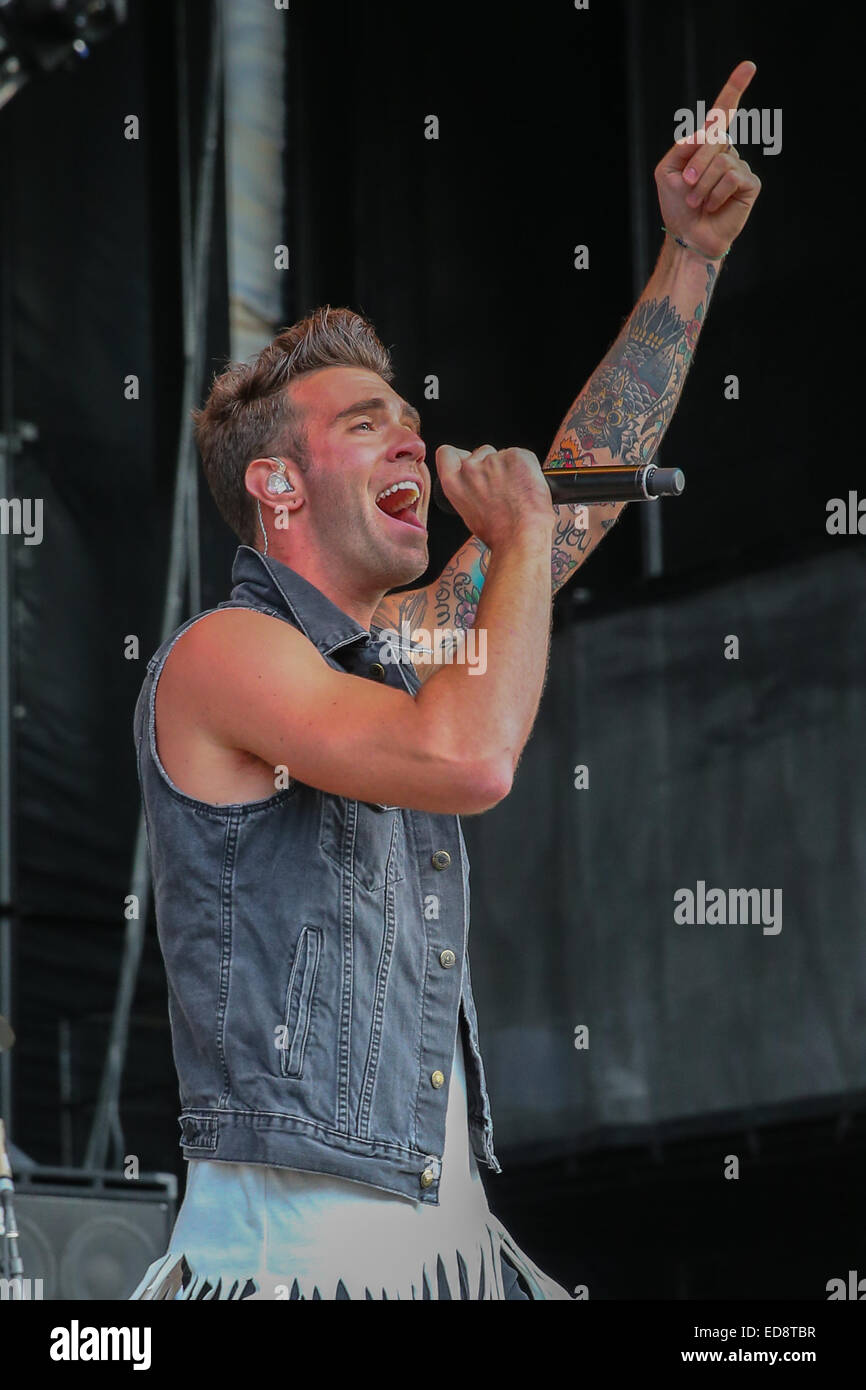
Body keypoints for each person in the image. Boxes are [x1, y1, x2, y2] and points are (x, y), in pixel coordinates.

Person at [129, 62, 761, 1300]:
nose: (411, 431)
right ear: (276, 484)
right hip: (300, 1264)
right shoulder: (223, 656)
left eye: (408, 415)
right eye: (367, 422)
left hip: (445, 1249)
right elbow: (467, 759)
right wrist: (517, 542)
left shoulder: (397, 649)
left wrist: (688, 255)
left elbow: (575, 492)